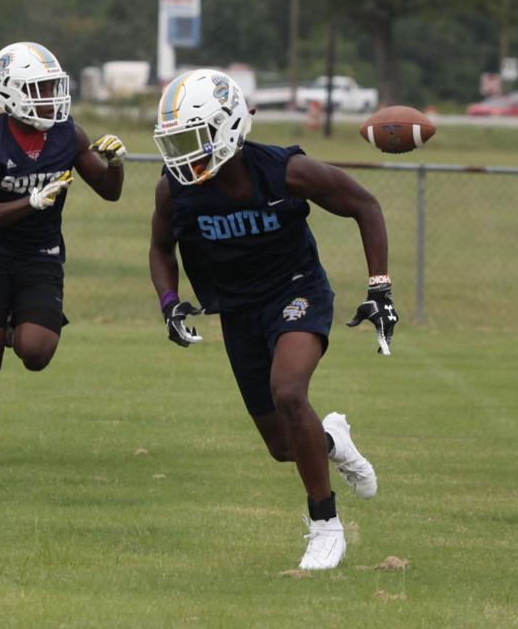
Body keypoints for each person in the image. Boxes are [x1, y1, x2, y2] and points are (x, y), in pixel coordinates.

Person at [148, 68, 395, 570]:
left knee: (289, 392)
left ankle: (325, 525)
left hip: (296, 291)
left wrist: (380, 287)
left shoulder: (285, 172)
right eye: (177, 143)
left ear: (230, 125)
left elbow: (365, 205)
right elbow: (159, 248)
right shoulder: (175, 190)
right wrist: (169, 301)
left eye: (195, 138)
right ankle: (332, 442)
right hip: (238, 311)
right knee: (285, 446)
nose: (186, 154)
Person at [0, 41, 126, 465]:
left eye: (53, 87)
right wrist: (30, 202)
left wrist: (117, 164)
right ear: (10, 93)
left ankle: (16, 326)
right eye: (40, 89)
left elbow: (109, 193)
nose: (51, 98)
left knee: (36, 353)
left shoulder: (69, 134)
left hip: (40, 254)